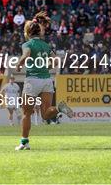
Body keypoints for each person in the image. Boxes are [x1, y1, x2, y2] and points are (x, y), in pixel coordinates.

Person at [15, 11, 73, 150]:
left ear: (28, 32)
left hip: (32, 81)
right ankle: (59, 108)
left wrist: (19, 64)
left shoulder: (27, 44)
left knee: (26, 113)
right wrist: (45, 66)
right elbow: (55, 61)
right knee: (46, 114)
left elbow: (26, 54)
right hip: (47, 80)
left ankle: (24, 143)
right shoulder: (46, 45)